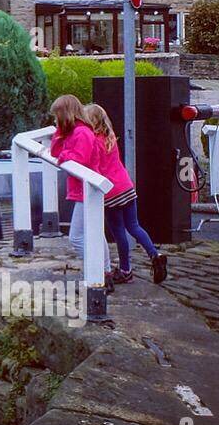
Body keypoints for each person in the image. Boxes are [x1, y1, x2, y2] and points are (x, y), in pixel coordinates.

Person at [83, 103, 168, 285]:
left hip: (110, 192)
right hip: (126, 187)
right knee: (134, 226)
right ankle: (155, 254)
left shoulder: (93, 142)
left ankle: (125, 270)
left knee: (119, 232)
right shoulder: (110, 137)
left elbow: (95, 168)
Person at [49, 94, 112, 272]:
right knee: (96, 234)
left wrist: (64, 155)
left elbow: (80, 159)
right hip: (84, 191)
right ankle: (105, 270)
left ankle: (97, 269)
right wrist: (59, 133)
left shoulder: (82, 132)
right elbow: (55, 151)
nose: (55, 120)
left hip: (87, 191)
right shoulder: (75, 131)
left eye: (57, 116)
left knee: (76, 237)